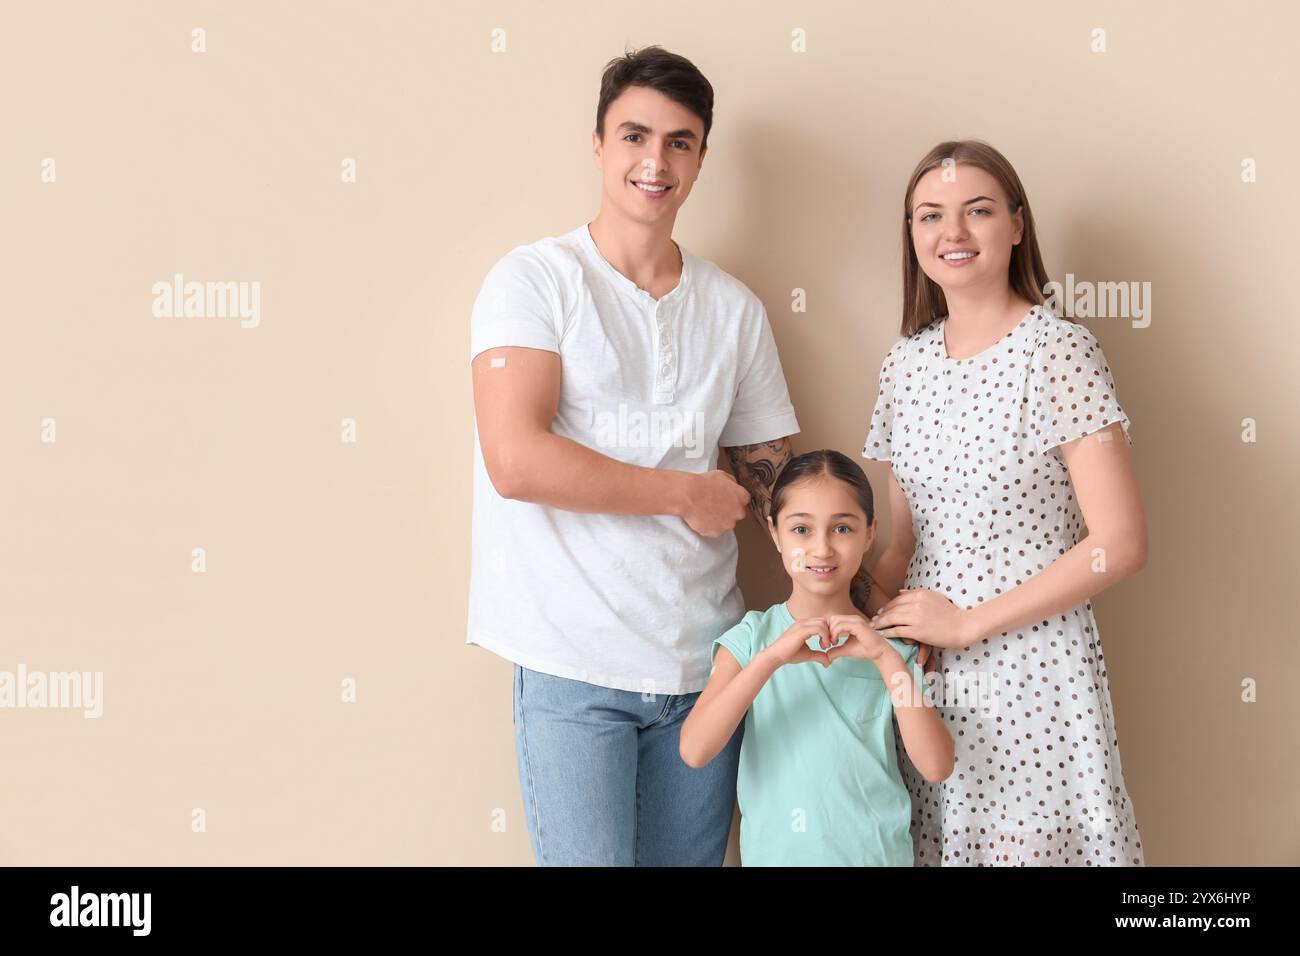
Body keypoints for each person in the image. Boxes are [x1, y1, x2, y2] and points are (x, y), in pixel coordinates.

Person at [468, 46, 823, 865]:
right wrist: (682, 494)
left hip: (708, 668)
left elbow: (775, 483)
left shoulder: (734, 310)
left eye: (680, 141)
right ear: (598, 145)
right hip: (572, 665)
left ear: (701, 157)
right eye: (634, 136)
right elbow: (516, 460)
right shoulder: (535, 281)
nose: (654, 161)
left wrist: (865, 591)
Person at [862, 140, 1147, 865]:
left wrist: (969, 623)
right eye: (930, 216)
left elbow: (1120, 540)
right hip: (929, 679)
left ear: (1017, 225)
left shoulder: (1059, 351)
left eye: (977, 211)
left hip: (1034, 674)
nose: (951, 233)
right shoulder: (905, 364)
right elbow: (904, 546)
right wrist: (850, 632)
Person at [679, 450, 954, 865]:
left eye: (842, 528)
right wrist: (770, 659)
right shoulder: (751, 640)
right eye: (802, 529)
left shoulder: (892, 650)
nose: (822, 548)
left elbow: (936, 766)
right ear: (775, 534)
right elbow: (695, 750)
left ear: (868, 533)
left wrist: (886, 658)